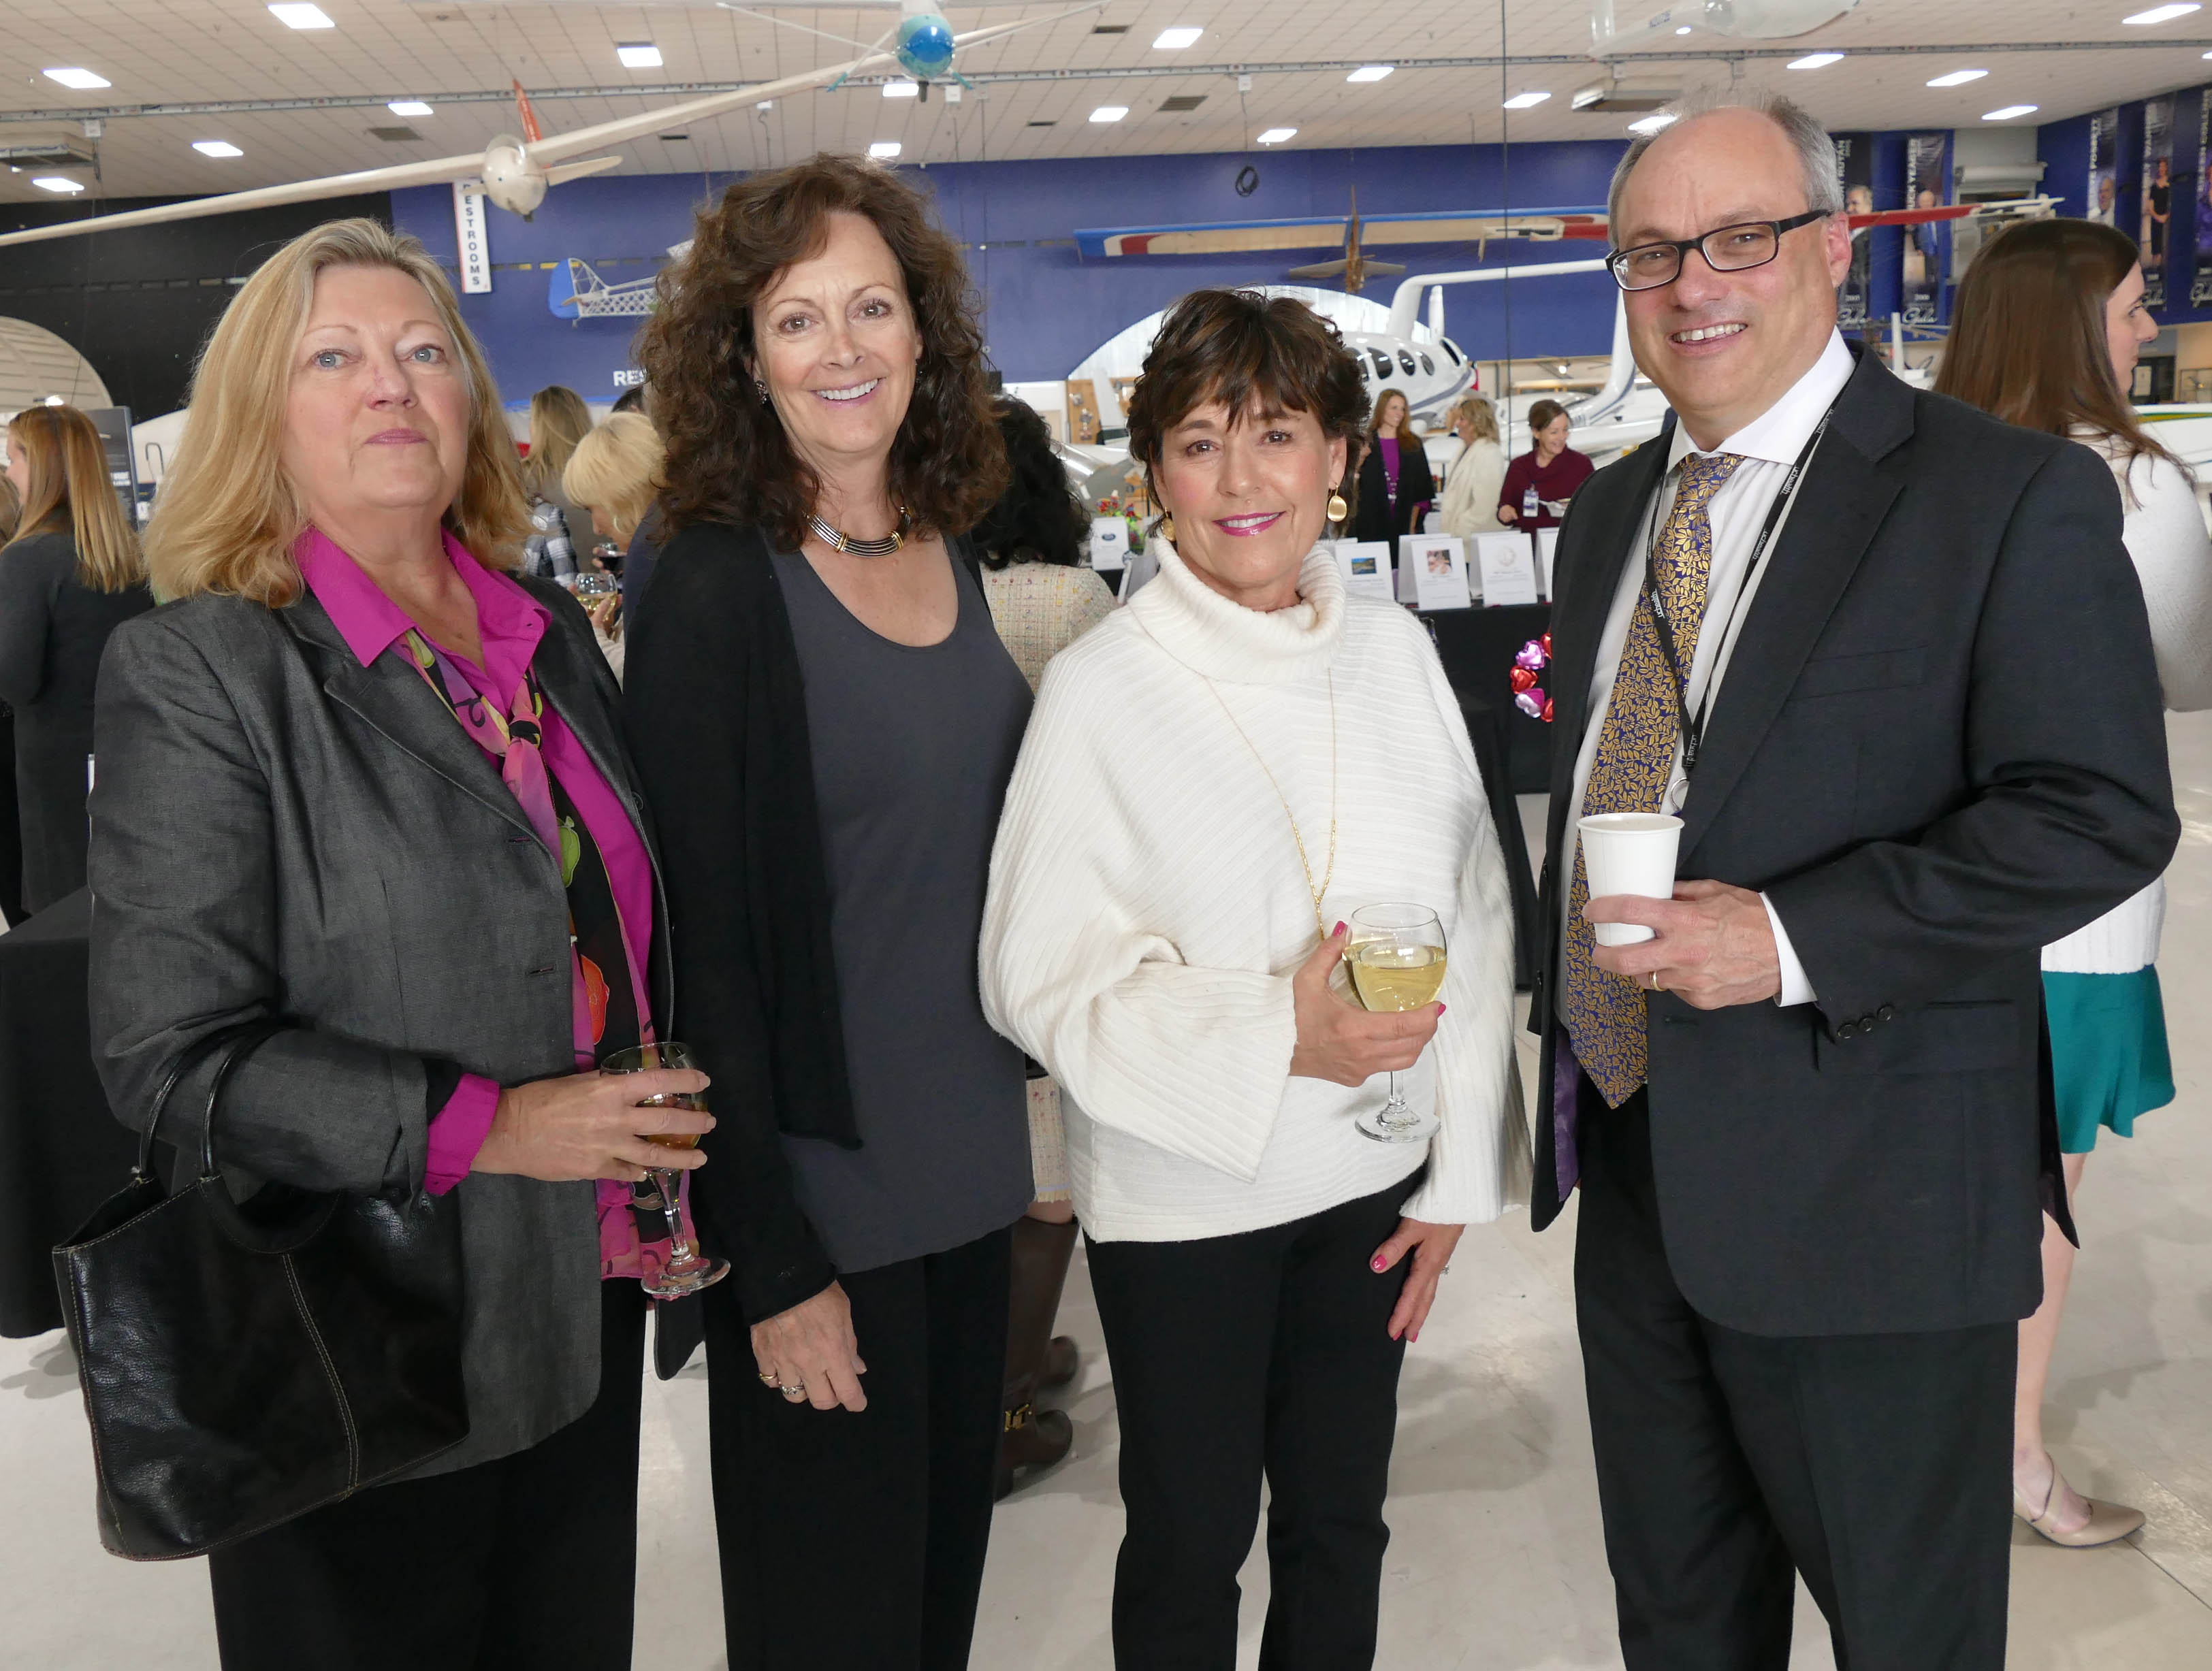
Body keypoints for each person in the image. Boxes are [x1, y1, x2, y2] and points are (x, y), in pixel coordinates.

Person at [1532, 95, 2176, 1670]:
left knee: (1906, 1635)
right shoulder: (1615, 508)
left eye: (1741, 238)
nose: (1695, 285)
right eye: (1651, 253)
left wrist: (1792, 934)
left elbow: (2097, 812)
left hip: (1874, 1194)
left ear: (1832, 247)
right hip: (1636, 1179)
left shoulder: (1998, 494)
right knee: (1681, 1626)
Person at [87, 218, 709, 1670]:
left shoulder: (540, 628)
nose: (391, 384)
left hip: (579, 1297)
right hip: (356, 1331)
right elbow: (169, 1058)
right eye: (336, 355)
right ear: (261, 413)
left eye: (424, 351)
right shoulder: (204, 669)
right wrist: (496, 1127)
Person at [981, 287, 1526, 1668]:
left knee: (1342, 1523)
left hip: (1370, 1179)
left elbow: (1470, 911)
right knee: (1188, 1535)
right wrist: (1277, 1024)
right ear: (1152, 469)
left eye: (1277, 434)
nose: (1241, 480)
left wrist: (1459, 1176)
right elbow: (1031, 975)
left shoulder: (1395, 655)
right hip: (1187, 1203)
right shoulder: (1105, 686)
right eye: (1199, 440)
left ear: (1340, 455)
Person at [623, 154, 1030, 1671]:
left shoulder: (946, 538)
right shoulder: (712, 575)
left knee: (931, 1615)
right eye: (797, 320)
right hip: (819, 1207)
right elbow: (696, 946)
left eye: (872, 307)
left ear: (924, 332)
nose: (843, 348)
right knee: (828, 1631)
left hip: (970, 1177)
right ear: (741, 353)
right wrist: (770, 1261)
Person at [1936, 215, 2212, 1548]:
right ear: (2066, 322)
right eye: (2127, 306)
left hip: (1928, 902)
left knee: (1938, 1185)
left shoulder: (1913, 474)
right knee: (2040, 1194)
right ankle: (2012, 1458)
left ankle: (1927, 1436)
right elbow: (2184, 669)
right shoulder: (2126, 480)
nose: (2144, 329)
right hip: (2076, 913)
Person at [970, 391, 1115, 1493]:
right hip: (1063, 903)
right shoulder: (1075, 598)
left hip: (959, 910)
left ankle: (1011, 1369)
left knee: (997, 1154)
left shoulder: (934, 593)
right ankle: (1004, 1409)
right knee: (1051, 1178)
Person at [0, 404, 153, 914]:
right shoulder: (130, 557)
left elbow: (15, 681)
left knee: (60, 917)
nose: (9, 473)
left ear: (40, 467)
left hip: (54, 771)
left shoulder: (27, 561)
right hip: (127, 754)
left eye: (14, 459)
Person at [562, 410, 666, 667]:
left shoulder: (663, 567)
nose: (596, 528)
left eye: (592, 509)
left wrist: (595, 639)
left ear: (619, 500)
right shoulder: (669, 555)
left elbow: (650, 674)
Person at [1351, 386, 1433, 557]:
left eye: (1403, 409)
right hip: (1369, 524)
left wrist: (1412, 527)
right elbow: (1352, 484)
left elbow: (1422, 491)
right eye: (1394, 408)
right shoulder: (1366, 442)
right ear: (1382, 410)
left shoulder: (1413, 445)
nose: (1400, 413)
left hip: (1404, 525)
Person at [522, 384, 590, 586]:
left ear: (538, 425)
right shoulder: (605, 471)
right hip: (606, 588)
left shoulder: (520, 478)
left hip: (551, 601)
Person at [1495, 398, 1592, 530]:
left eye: (1565, 430)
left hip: (1565, 545)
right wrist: (1504, 512)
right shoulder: (1519, 467)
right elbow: (1505, 506)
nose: (1562, 437)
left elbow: (1595, 507)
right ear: (1536, 432)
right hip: (1529, 545)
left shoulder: (1581, 465)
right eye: (1554, 432)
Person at [1434, 395, 1506, 538]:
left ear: (1476, 422)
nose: (1457, 424)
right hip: (1455, 540)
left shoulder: (1489, 453)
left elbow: (1485, 505)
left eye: (1462, 419)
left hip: (1469, 540)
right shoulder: (1463, 450)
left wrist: (1462, 530)